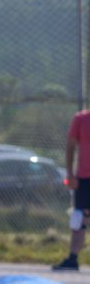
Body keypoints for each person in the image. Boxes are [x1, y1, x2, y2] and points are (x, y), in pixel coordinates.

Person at [55, 108, 90, 271]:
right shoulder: (81, 118)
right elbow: (70, 146)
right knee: (78, 218)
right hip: (83, 178)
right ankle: (73, 258)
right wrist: (70, 173)